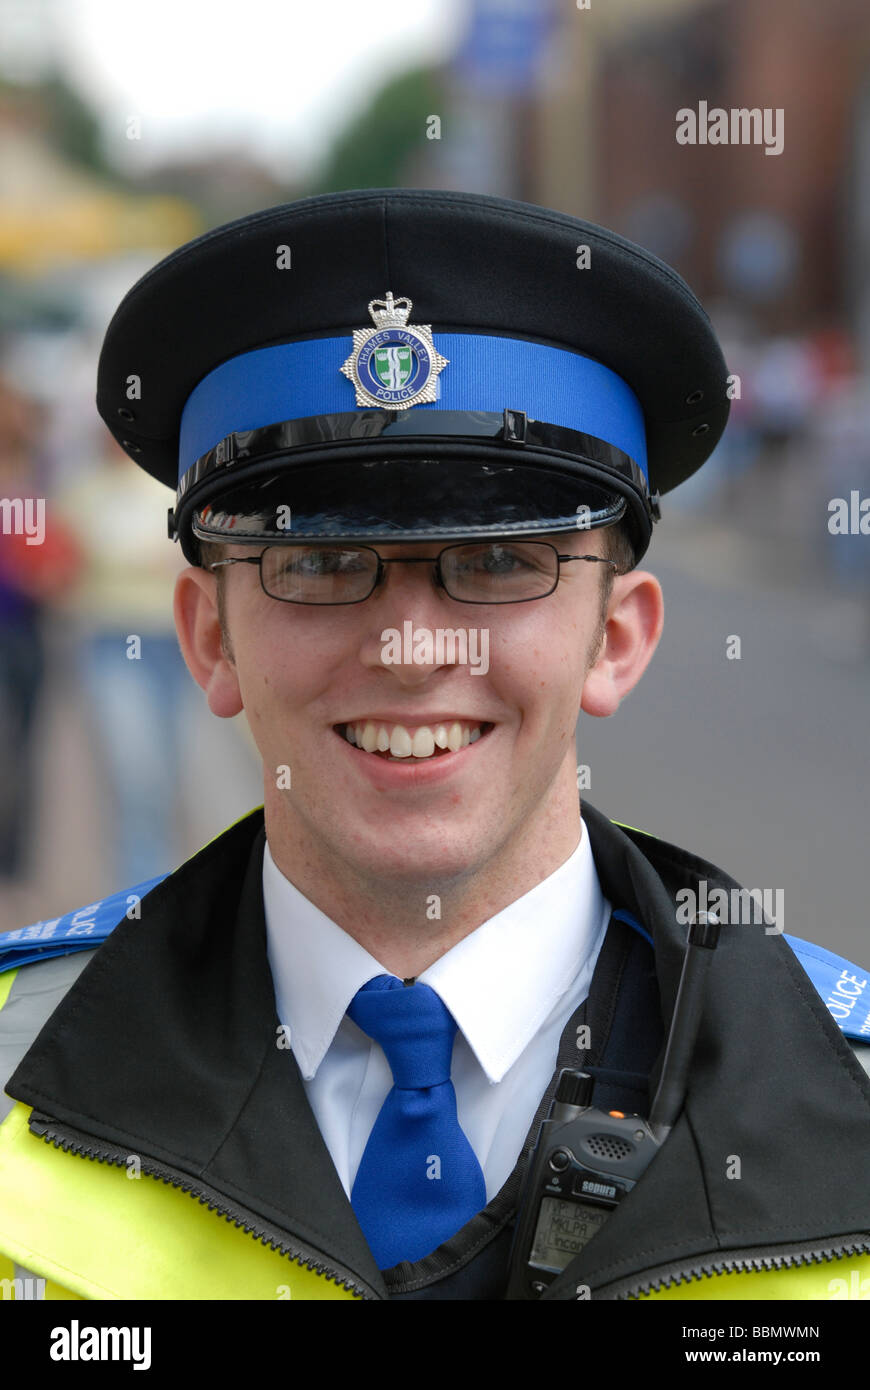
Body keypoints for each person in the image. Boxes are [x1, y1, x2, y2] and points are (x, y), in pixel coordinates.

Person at [0, 189, 867, 1303]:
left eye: (501, 562)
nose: (412, 647)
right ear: (210, 636)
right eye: (318, 562)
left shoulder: (845, 1104)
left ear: (618, 636)